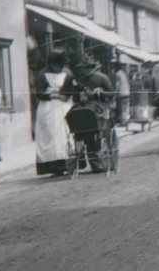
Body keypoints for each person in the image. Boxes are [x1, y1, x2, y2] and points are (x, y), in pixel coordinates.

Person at [34, 48, 76, 176]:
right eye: (56, 64)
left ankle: (68, 161)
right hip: (48, 108)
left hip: (63, 106)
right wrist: (53, 96)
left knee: (65, 133)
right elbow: (39, 93)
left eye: (60, 65)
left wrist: (66, 96)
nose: (58, 67)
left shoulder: (67, 73)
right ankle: (53, 166)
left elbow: (71, 89)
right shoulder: (42, 75)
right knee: (50, 135)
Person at [72, 54, 115, 171]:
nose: (85, 70)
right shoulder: (81, 80)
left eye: (87, 67)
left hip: (100, 107)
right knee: (86, 132)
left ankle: (104, 160)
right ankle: (91, 161)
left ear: (92, 67)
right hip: (86, 110)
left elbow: (112, 94)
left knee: (97, 129)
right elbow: (75, 98)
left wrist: (101, 92)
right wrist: (79, 95)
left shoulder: (102, 78)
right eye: (83, 68)